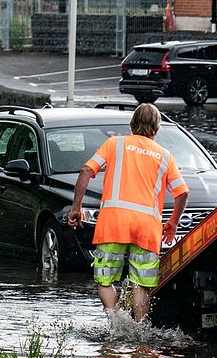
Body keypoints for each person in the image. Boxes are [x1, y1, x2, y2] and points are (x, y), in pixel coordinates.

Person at [68, 104, 188, 322]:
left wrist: (76, 207)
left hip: (114, 224)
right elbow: (182, 194)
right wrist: (173, 222)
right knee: (141, 283)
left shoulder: (115, 144)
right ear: (157, 128)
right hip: (147, 228)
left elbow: (86, 170)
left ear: (132, 124)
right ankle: (139, 330)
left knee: (105, 278)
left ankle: (115, 322)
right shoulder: (165, 156)